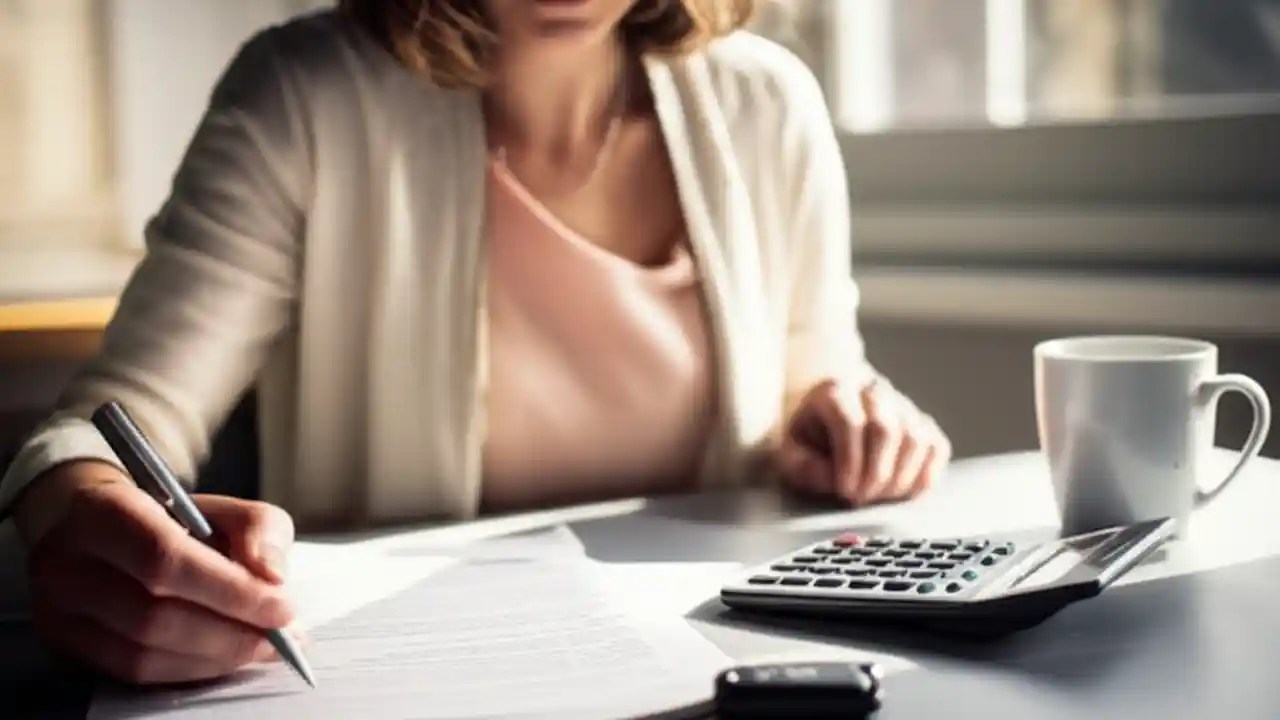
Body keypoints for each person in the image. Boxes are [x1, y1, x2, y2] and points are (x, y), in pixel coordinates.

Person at [0, 0, 951, 685]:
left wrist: (854, 420)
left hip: (711, 679)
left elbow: (816, 376)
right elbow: (117, 417)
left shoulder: (768, 104)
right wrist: (72, 503)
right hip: (397, 688)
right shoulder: (301, 96)